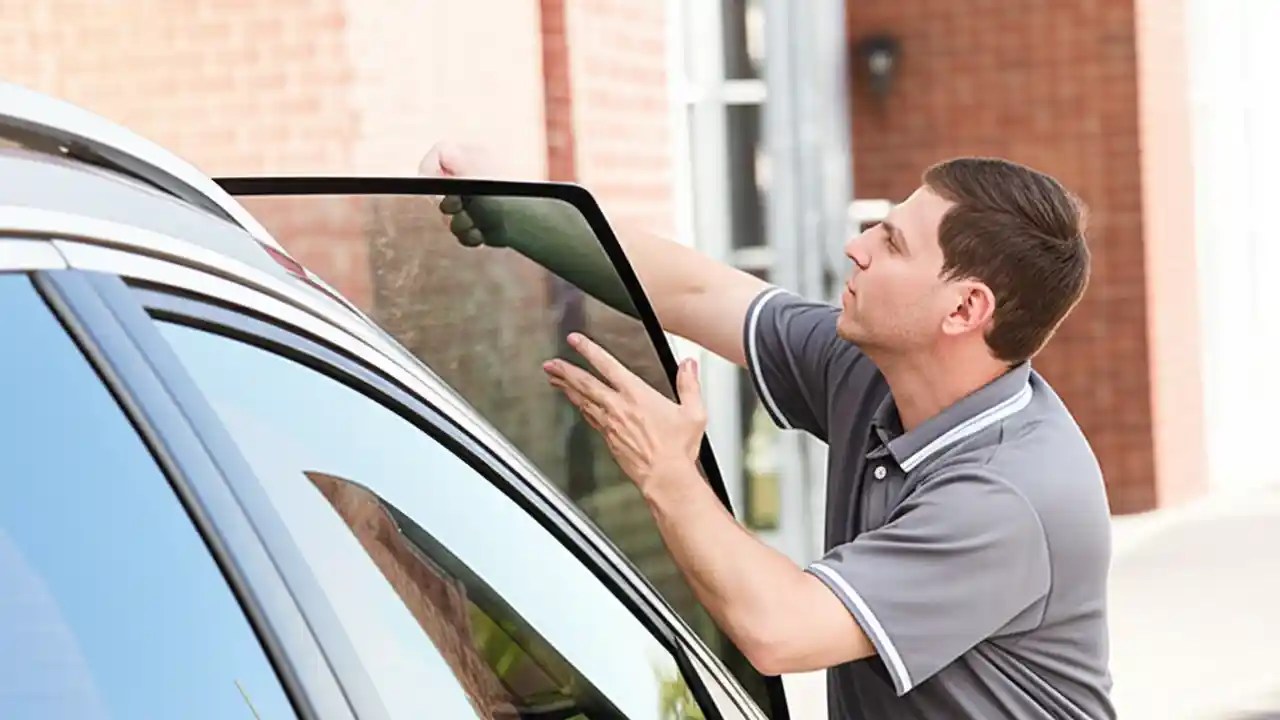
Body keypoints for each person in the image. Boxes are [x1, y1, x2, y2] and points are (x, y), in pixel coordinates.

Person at [419, 143, 1115, 720]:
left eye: (892, 243)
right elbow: (702, 294)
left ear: (964, 308)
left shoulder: (1010, 497)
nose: (857, 246)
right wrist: (515, 211)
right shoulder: (874, 368)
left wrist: (667, 472)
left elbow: (780, 629)